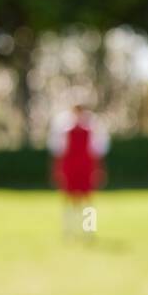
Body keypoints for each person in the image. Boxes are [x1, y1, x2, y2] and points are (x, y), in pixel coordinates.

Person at [49, 102, 110, 240]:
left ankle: (88, 230)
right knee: (69, 200)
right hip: (70, 168)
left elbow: (96, 153)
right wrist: (57, 171)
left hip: (86, 168)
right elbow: (59, 153)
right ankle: (69, 229)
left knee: (87, 200)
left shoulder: (91, 131)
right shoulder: (64, 132)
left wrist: (99, 170)